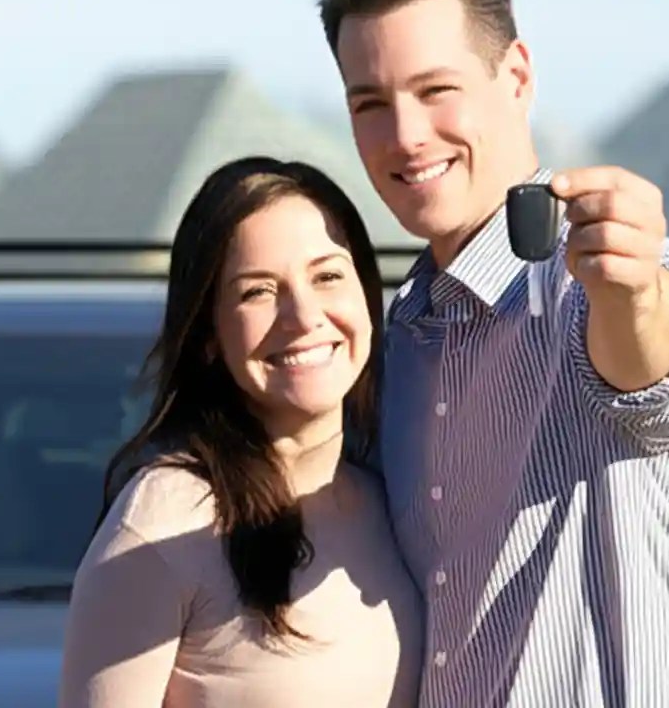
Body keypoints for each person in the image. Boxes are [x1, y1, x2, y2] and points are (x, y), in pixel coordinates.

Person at [316, 0, 669, 705]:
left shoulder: (598, 285)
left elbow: (653, 363)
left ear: (516, 77)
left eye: (436, 90)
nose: (406, 135)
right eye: (371, 104)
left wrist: (634, 291)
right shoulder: (397, 343)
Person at [58, 156, 423, 708]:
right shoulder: (166, 520)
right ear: (209, 335)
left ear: (368, 297)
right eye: (258, 291)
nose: (303, 316)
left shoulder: (395, 496)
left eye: (327, 276)